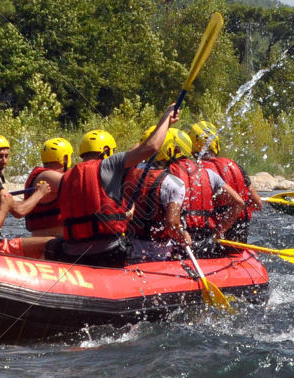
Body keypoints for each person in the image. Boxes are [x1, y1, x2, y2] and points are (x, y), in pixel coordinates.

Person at [46, 105, 179, 269]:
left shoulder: (67, 176)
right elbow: (150, 148)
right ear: (107, 151)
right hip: (108, 253)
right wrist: (165, 118)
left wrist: (163, 126)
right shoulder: (109, 165)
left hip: (72, 254)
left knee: (53, 244)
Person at [125, 128, 244, 263]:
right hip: (205, 241)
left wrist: (146, 141)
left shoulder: (162, 176)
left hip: (176, 243)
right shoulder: (208, 174)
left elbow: (128, 160)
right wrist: (218, 231)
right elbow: (238, 203)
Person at [191, 119, 261, 243]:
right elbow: (257, 204)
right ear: (216, 145)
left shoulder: (195, 172)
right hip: (239, 233)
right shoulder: (236, 167)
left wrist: (219, 230)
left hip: (211, 236)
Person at [0, 133, 52, 224]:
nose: (4, 161)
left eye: (6, 156)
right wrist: (40, 193)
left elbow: (13, 205)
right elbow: (19, 211)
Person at [23, 138, 71, 238]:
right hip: (49, 243)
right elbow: (82, 185)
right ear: (65, 158)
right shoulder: (47, 177)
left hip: (54, 240)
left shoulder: (46, 174)